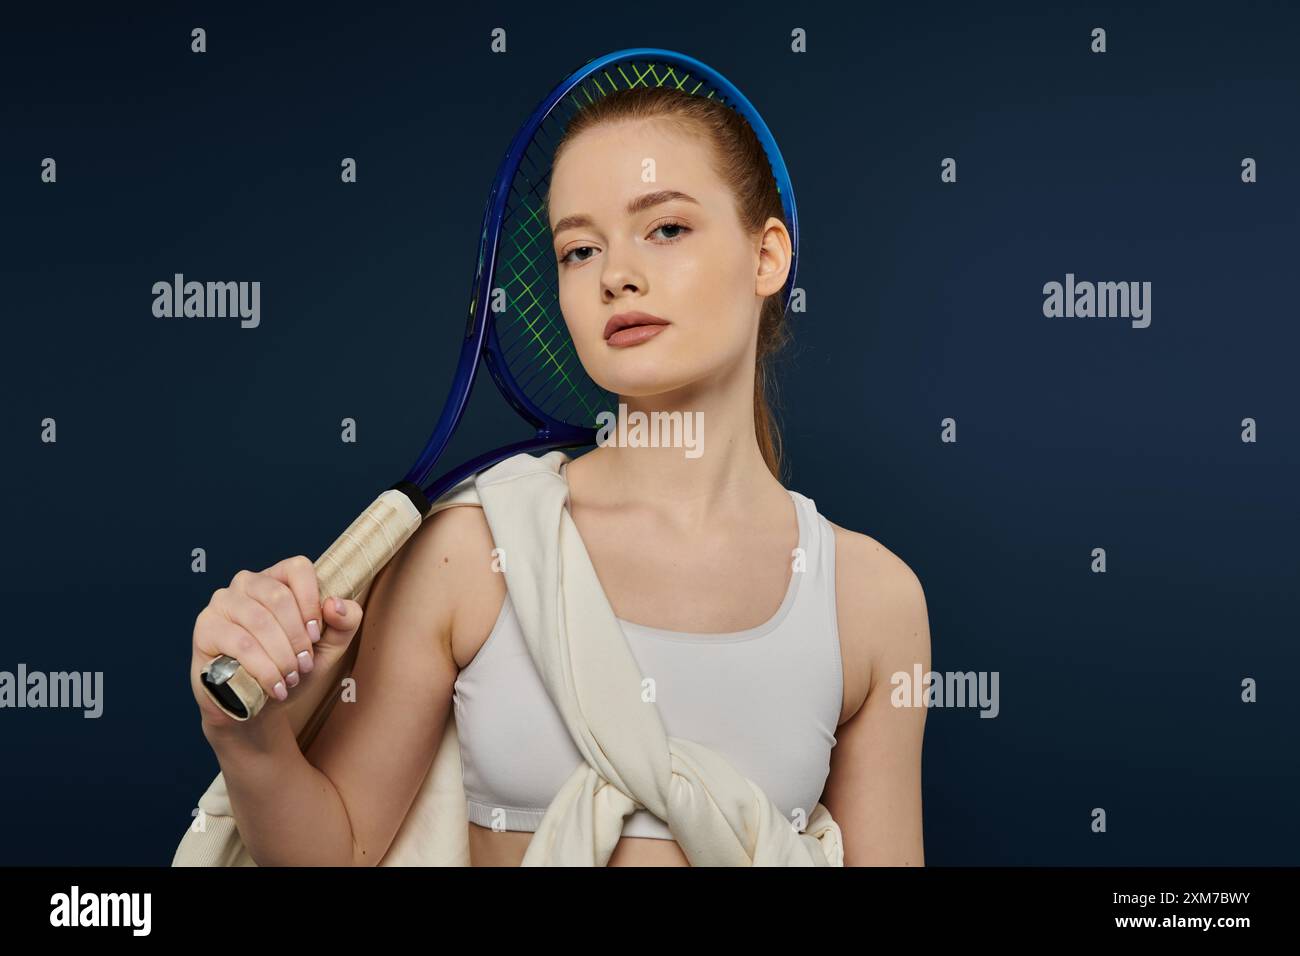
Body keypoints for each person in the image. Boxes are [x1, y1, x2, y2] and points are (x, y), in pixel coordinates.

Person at [189, 86, 931, 867]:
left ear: (767, 256)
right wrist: (249, 740)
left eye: (667, 227)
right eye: (580, 249)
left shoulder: (871, 600)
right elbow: (333, 855)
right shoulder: (471, 553)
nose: (617, 275)